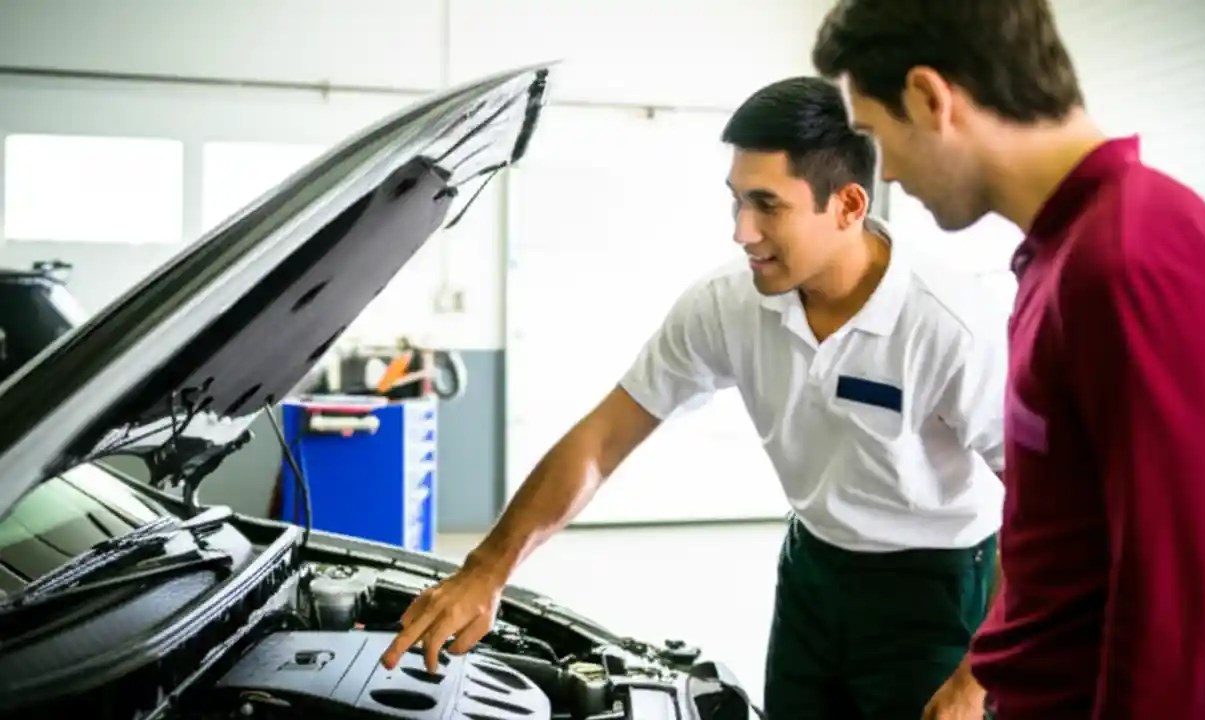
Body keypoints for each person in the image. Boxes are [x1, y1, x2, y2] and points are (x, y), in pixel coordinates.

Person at [381, 76, 1011, 720]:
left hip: (937, 590)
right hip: (813, 574)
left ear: (848, 205)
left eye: (768, 205)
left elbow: (1043, 502)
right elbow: (602, 440)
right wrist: (488, 568)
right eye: (736, 201)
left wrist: (978, 675)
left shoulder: (949, 325)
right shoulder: (727, 304)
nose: (741, 231)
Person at [811, 1, 1205, 719]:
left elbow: (1191, 622)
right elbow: (1067, 541)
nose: (888, 176)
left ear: (930, 97)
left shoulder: (1134, 262)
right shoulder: (1064, 256)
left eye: (876, 138)